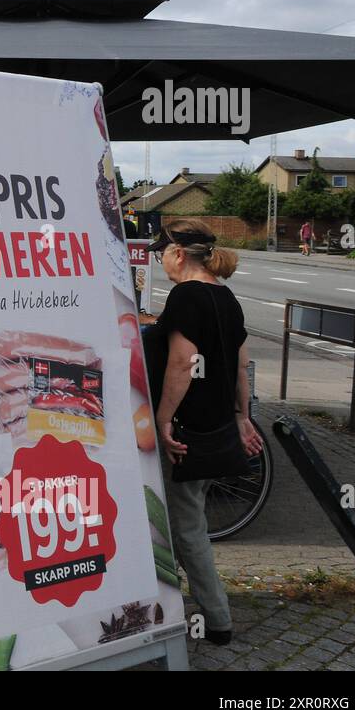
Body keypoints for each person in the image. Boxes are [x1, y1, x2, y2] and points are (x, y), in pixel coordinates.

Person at [144, 218, 262, 646]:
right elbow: (240, 363)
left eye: (162, 253)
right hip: (216, 429)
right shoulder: (226, 298)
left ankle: (217, 620)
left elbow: (183, 362)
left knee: (186, 527)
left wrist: (163, 419)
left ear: (178, 255)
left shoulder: (186, 296)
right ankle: (179, 605)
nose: (160, 260)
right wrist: (241, 415)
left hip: (187, 432)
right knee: (183, 521)